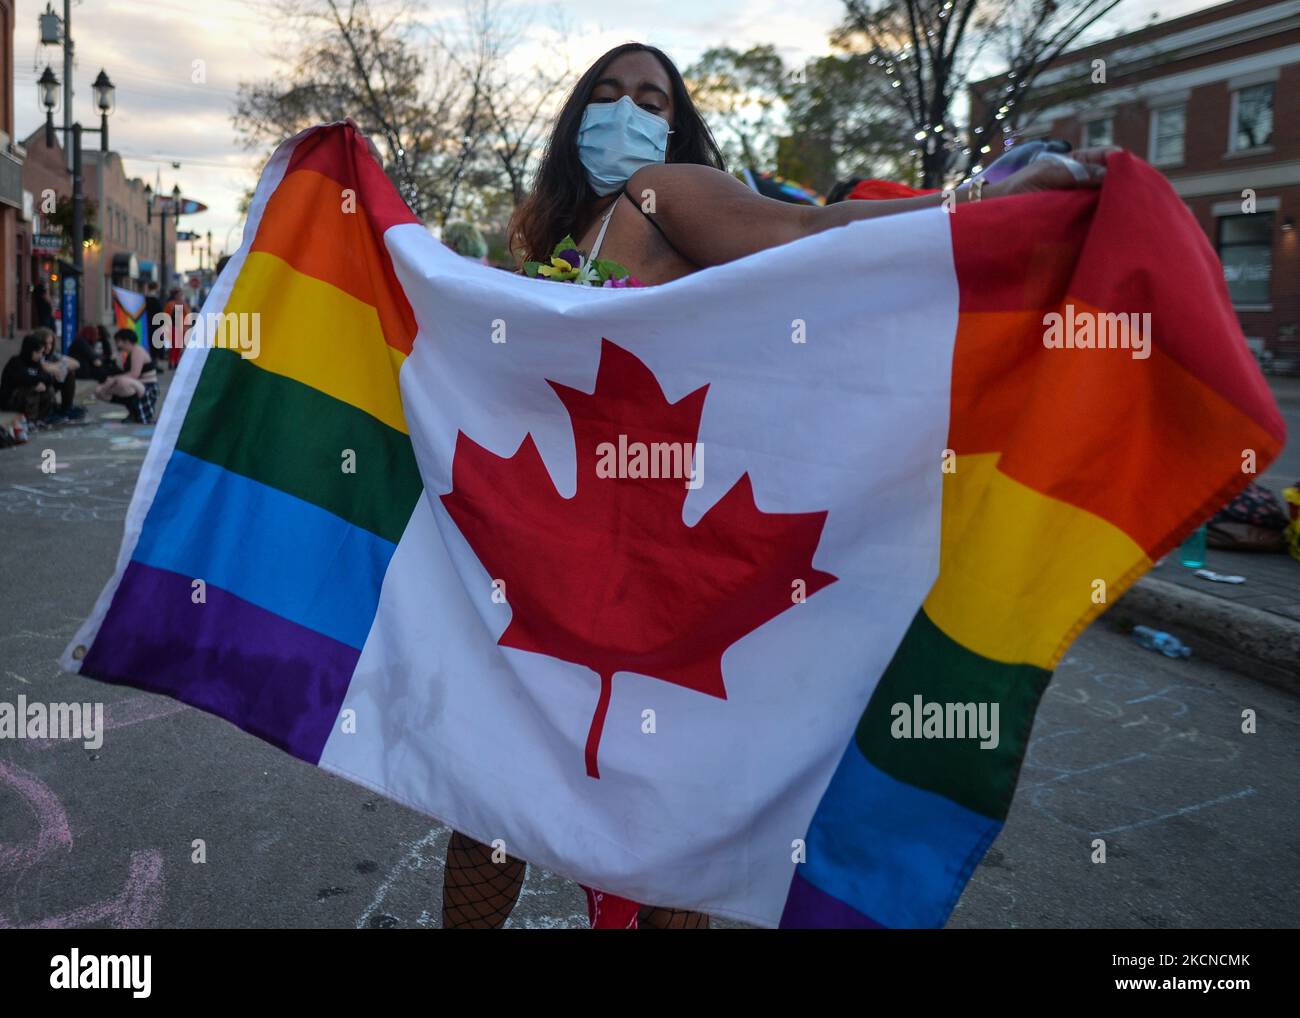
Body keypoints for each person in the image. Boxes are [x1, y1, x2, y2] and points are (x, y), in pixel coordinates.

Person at [356, 41, 1114, 931]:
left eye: (650, 96)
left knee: (642, 816)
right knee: (500, 796)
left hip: (647, 561)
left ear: (675, 124)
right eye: (606, 93)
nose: (626, 109)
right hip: (559, 561)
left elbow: (805, 235)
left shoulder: (662, 191)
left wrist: (986, 200)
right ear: (576, 119)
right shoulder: (556, 235)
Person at [96, 328, 159, 423]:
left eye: (118, 341)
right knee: (99, 391)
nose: (117, 345)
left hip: (147, 387)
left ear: (126, 341)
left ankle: (136, 413)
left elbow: (134, 374)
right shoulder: (128, 353)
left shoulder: (138, 351)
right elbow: (122, 373)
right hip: (137, 385)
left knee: (122, 382)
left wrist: (113, 380)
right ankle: (132, 411)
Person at [1, 332, 55, 424]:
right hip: (10, 401)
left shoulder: (36, 363)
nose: (40, 355)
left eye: (41, 352)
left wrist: (42, 383)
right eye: (37, 352)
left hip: (26, 400)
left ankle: (42, 418)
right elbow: (23, 378)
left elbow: (48, 378)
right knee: (32, 388)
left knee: (48, 390)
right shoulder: (16, 362)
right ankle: (31, 421)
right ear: (29, 351)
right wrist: (38, 381)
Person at [37, 328, 85, 421]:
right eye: (45, 343)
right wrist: (59, 367)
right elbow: (44, 367)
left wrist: (59, 368)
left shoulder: (52, 354)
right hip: (38, 387)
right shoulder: (36, 353)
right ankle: (48, 412)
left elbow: (76, 364)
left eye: (50, 343)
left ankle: (67, 408)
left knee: (69, 373)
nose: (48, 347)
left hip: (49, 384)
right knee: (54, 374)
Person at [163, 288, 189, 369]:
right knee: (174, 346)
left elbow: (187, 314)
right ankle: (171, 362)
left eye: (181, 294)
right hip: (172, 327)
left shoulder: (183, 303)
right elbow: (165, 315)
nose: (180, 296)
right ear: (175, 295)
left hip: (181, 327)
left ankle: (176, 362)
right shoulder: (170, 304)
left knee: (178, 346)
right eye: (179, 294)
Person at [143, 282, 166, 373]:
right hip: (156, 327)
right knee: (156, 346)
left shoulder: (144, 299)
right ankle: (154, 365)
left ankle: (150, 364)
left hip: (147, 326)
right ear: (156, 288)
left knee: (150, 345)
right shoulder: (155, 300)